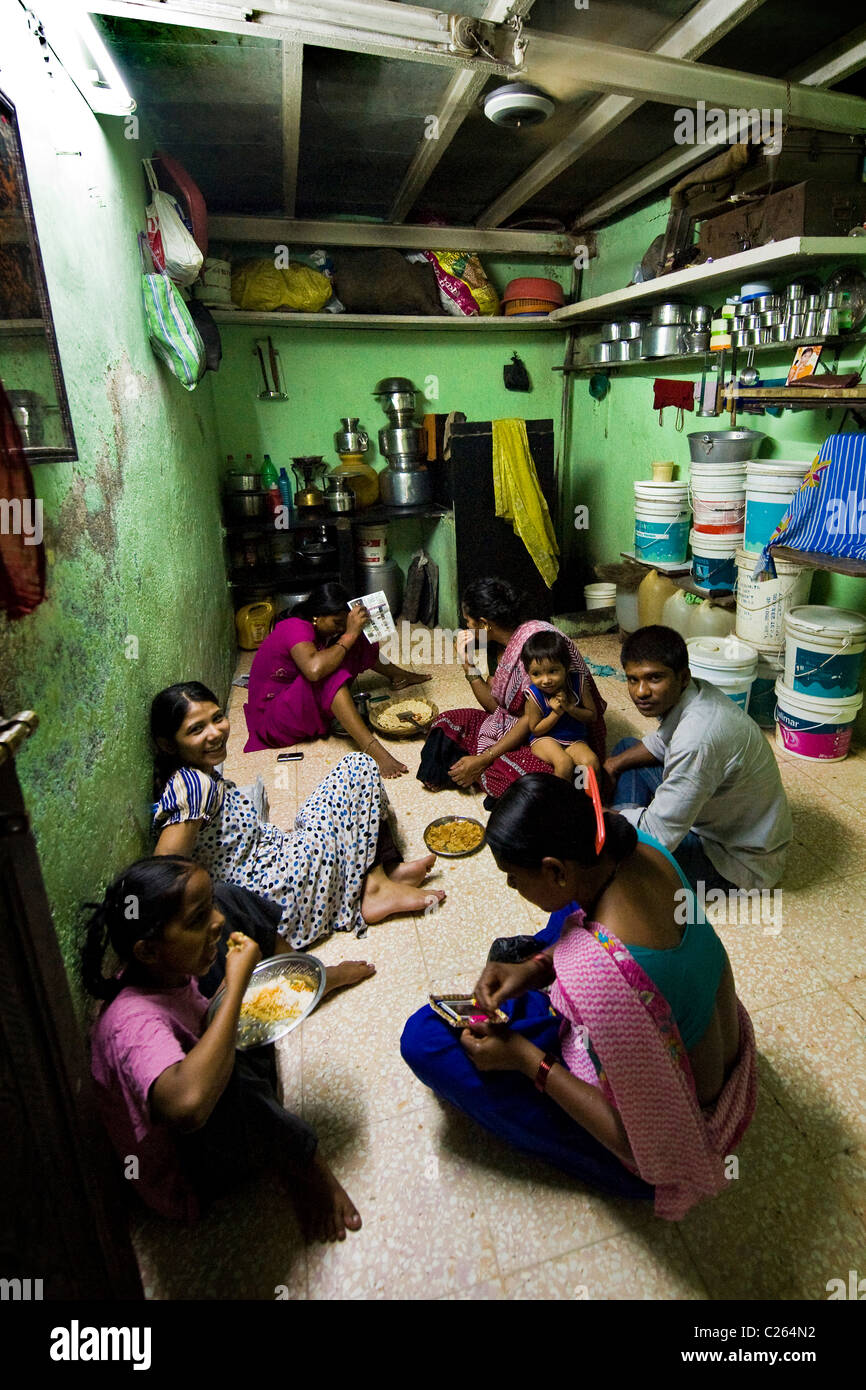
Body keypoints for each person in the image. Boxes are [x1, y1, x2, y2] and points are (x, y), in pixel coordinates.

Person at [400, 776, 757, 1217]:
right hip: (713, 1049)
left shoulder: (603, 978)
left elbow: (642, 1141)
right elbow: (598, 933)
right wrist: (532, 969)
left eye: (514, 879)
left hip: (682, 1130)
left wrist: (525, 1059)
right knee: (565, 916)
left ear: (554, 869)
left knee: (423, 1041)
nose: (513, 888)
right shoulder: (638, 845)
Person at [83, 857, 364, 1239]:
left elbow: (200, 1017)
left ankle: (313, 975)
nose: (213, 922)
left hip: (207, 1078)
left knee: (232, 901)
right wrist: (235, 987)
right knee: (233, 1083)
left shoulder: (163, 967)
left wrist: (232, 988)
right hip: (192, 1170)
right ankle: (304, 1163)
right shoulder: (131, 1026)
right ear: (147, 950)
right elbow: (188, 1107)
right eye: (197, 919)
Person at [151, 682, 445, 949]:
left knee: (329, 801)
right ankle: (375, 889)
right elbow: (164, 869)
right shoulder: (193, 786)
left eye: (217, 718)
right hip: (278, 895)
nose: (214, 733)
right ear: (167, 743)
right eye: (196, 729)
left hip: (272, 875)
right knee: (358, 768)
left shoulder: (195, 777)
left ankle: (380, 874)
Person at [604, 626, 792, 892]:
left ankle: (625, 844)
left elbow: (661, 836)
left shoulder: (697, 739)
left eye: (654, 678)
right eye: (633, 679)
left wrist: (600, 818)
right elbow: (660, 742)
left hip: (734, 859)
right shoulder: (694, 693)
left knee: (615, 855)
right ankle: (628, 832)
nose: (641, 692)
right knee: (626, 750)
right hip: (707, 816)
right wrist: (612, 765)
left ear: (683, 677)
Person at [417, 577, 606, 801]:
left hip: (551, 735)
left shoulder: (535, 649)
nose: (467, 627)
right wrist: (467, 664)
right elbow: (495, 707)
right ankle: (472, 774)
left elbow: (529, 721)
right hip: (516, 727)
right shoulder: (498, 648)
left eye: (469, 621)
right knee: (445, 723)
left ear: (484, 623)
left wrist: (484, 758)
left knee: (526, 782)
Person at [242, 582, 429, 779]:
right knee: (330, 673)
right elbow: (314, 670)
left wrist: (353, 633)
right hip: (273, 718)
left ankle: (398, 675)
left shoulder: (317, 626)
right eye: (336, 622)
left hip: (292, 702)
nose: (339, 629)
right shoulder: (295, 628)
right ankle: (373, 750)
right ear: (318, 616)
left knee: (357, 641)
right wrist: (349, 633)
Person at [521, 629, 602, 783]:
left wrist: (570, 708)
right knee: (564, 763)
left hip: (575, 739)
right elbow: (535, 729)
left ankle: (586, 801)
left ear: (566, 666)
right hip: (544, 739)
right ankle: (559, 803)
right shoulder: (534, 695)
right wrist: (556, 713)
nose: (545, 680)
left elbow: (592, 716)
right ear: (528, 673)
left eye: (553, 671)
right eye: (536, 674)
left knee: (591, 763)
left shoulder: (578, 682)